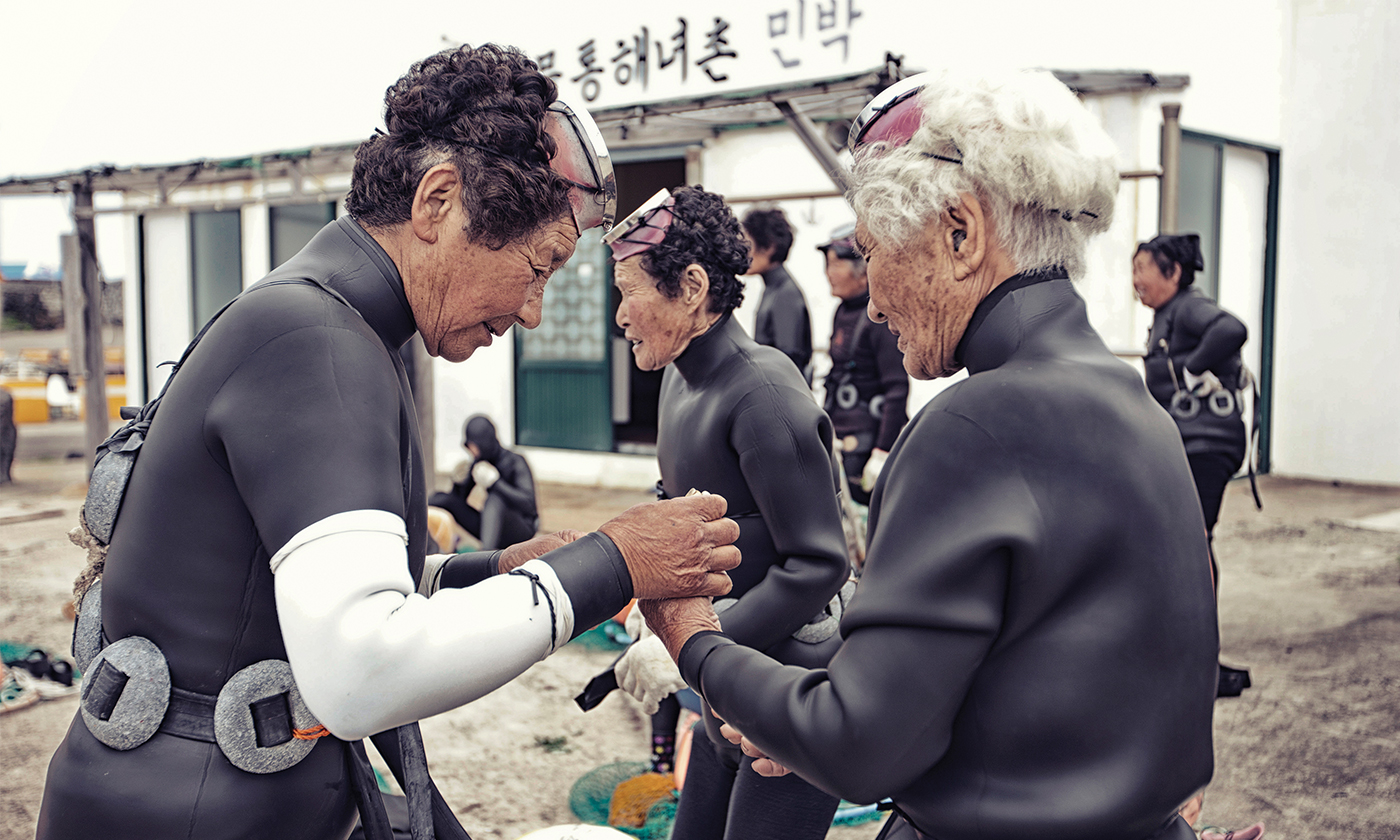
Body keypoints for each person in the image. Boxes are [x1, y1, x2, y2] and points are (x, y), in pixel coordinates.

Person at [39, 45, 739, 840]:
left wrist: (494, 569)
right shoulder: (319, 342)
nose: (534, 312)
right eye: (539, 267)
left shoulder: (321, 322)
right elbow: (360, 671)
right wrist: (613, 560)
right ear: (438, 202)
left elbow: (299, 588)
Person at [637, 69, 1223, 840]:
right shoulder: (1129, 402)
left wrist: (692, 639)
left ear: (961, 232)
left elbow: (862, 746)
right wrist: (793, 709)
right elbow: (1022, 670)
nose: (873, 302)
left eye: (874, 252)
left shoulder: (974, 425)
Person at [607, 186, 850, 840]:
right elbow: (680, 522)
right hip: (725, 679)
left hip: (789, 692)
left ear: (690, 287)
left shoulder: (763, 392)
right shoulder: (679, 379)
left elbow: (821, 564)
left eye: (629, 292)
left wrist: (696, 646)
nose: (621, 316)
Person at [1133, 233, 1250, 593]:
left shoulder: (1188, 306)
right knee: (1186, 536)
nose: (1135, 281)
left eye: (1142, 269)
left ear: (1173, 273)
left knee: (1196, 536)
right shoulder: (1169, 313)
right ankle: (1191, 626)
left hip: (1206, 443)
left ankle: (1201, 633)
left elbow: (1232, 328)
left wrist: (1195, 368)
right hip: (1189, 442)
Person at [817, 222, 909, 505]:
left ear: (861, 272)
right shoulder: (842, 311)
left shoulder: (878, 318)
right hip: (843, 442)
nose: (828, 273)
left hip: (869, 445)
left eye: (835, 264)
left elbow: (897, 388)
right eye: (828, 264)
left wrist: (882, 452)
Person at [430, 414, 539, 550]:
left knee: (495, 499)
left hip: (522, 528)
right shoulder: (479, 463)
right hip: (492, 526)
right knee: (442, 499)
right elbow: (458, 501)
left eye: (475, 447)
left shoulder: (515, 461)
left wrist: (496, 483)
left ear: (485, 443)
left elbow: (529, 504)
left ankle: (484, 556)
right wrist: (459, 483)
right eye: (470, 447)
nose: (473, 451)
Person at [741, 207, 813, 381]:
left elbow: (789, 362)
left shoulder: (785, 293)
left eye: (748, 244)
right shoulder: (774, 287)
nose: (742, 251)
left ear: (769, 247)